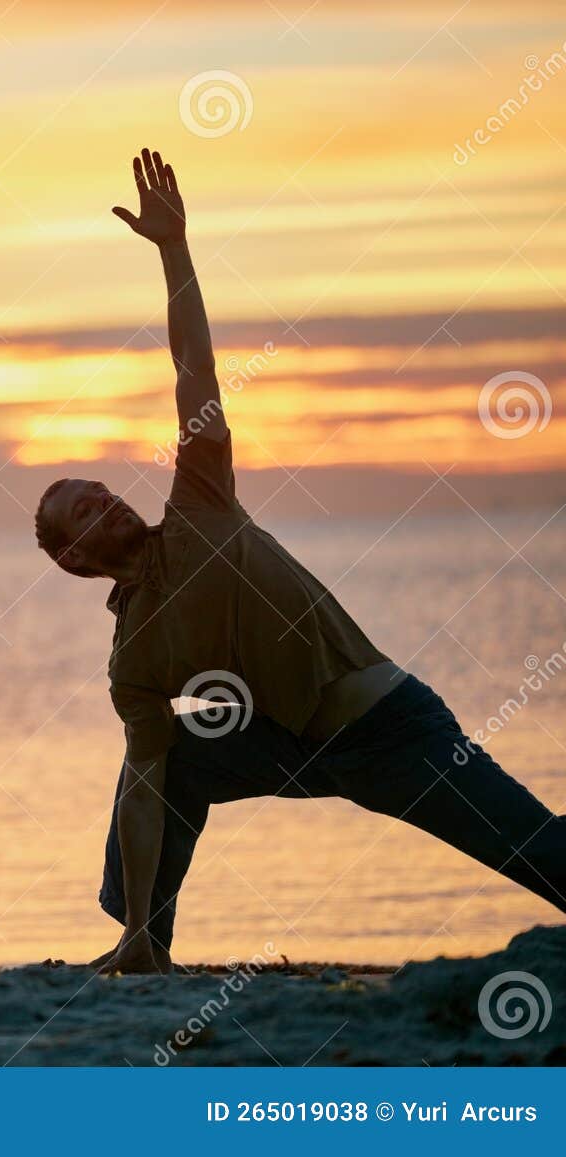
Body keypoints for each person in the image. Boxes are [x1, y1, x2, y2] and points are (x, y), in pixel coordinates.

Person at [34, 148, 566, 974]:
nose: (106, 500)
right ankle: (144, 941)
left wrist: (174, 249)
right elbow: (144, 788)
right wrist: (136, 922)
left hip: (391, 729)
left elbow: (193, 369)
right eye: (84, 510)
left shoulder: (198, 507)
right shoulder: (132, 656)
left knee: (536, 851)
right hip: (292, 745)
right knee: (167, 758)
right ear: (74, 558)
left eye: (100, 488)